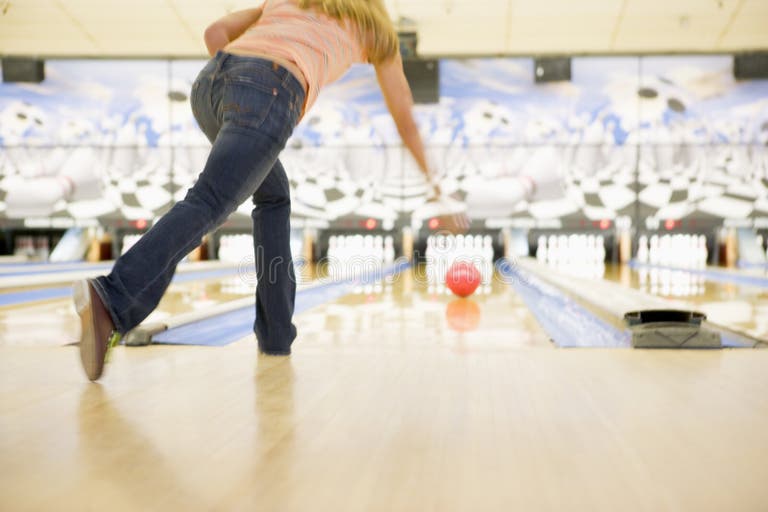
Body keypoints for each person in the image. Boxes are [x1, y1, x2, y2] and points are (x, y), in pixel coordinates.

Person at [75, 0, 468, 381]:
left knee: (273, 196)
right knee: (210, 201)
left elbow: (216, 32)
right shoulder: (378, 30)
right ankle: (112, 297)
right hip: (273, 89)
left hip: (211, 87)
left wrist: (237, 81)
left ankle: (277, 337)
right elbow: (405, 120)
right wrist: (440, 191)